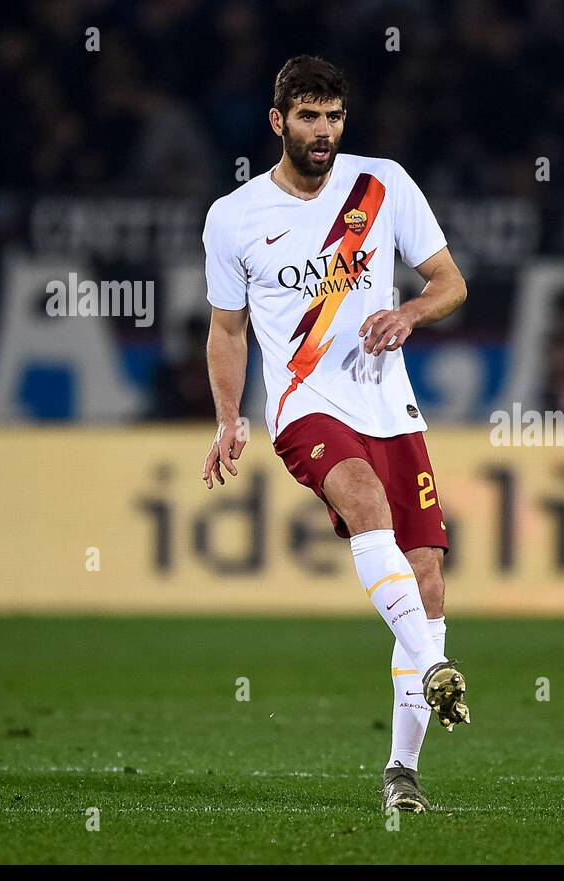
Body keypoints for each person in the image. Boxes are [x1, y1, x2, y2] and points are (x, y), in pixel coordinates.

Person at [200, 55, 470, 814]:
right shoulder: (234, 216)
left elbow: (450, 282)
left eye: (335, 116)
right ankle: (436, 663)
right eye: (309, 117)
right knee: (358, 494)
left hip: (392, 407)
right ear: (277, 122)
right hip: (306, 406)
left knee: (428, 580)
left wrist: (410, 312)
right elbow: (227, 331)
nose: (324, 132)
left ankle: (401, 775)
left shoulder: (382, 184)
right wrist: (229, 418)